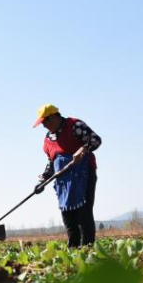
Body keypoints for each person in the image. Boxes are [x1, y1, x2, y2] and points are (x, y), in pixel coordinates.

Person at [33, 104, 102, 248]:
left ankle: (87, 250)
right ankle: (73, 251)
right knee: (68, 217)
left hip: (83, 175)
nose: (44, 126)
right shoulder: (48, 139)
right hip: (63, 181)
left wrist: (83, 149)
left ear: (53, 117)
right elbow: (52, 162)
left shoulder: (74, 125)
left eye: (45, 122)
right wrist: (44, 178)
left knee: (84, 214)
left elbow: (96, 140)